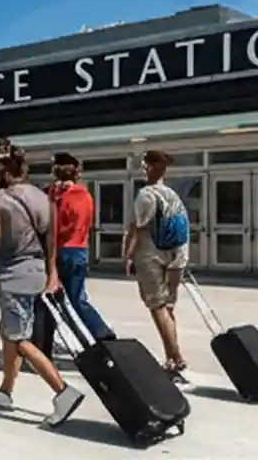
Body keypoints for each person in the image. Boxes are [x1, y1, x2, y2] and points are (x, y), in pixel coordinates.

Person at [0, 139, 85, 427]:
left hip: (14, 273)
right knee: (6, 329)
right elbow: (51, 238)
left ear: (5, 170)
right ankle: (6, 390)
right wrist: (52, 273)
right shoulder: (41, 196)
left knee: (18, 338)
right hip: (37, 271)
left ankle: (63, 392)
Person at [124, 149, 191, 376]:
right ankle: (172, 354)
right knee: (168, 306)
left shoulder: (146, 195)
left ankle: (175, 358)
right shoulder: (174, 195)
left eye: (145, 166)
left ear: (151, 168)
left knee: (157, 306)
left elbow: (137, 227)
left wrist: (128, 255)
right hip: (177, 256)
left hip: (152, 256)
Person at [48, 151, 115, 342]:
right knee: (78, 297)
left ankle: (51, 338)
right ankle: (100, 330)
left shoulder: (62, 198)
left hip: (63, 250)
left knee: (54, 297)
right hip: (80, 249)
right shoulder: (85, 195)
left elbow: (57, 227)